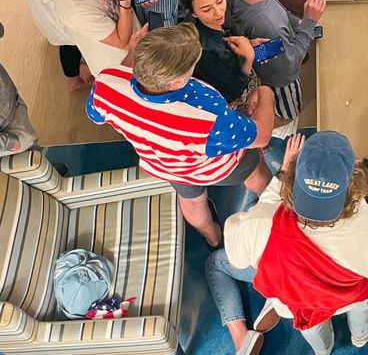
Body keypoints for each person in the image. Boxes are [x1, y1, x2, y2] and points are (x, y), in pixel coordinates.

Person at [208, 133, 368, 355]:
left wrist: (278, 180)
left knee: (311, 329)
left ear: (293, 179)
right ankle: (360, 335)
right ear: (352, 183)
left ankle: (323, 350)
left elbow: (236, 254)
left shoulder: (260, 224)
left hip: (299, 305)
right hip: (349, 295)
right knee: (366, 296)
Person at [87, 23, 273, 251]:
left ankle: (213, 239)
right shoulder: (206, 112)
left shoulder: (107, 81)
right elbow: (261, 136)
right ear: (176, 82)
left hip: (164, 163)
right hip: (217, 167)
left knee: (192, 201)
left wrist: (132, 54)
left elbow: (95, 115)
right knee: (254, 167)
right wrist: (265, 94)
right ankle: (272, 203)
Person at [179, 0, 288, 160]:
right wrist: (247, 60)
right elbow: (229, 92)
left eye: (219, 1)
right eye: (206, 9)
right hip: (233, 99)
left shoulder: (221, 19)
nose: (218, 12)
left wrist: (247, 44)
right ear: (192, 14)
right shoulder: (201, 51)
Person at [223, 0, 324, 127]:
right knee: (289, 113)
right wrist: (309, 21)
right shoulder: (271, 24)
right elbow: (287, 68)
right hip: (273, 77)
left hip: (249, 52)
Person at [0, 54, 37, 155]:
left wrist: (8, 143)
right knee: (31, 156)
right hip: (8, 122)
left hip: (9, 120)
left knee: (32, 156)